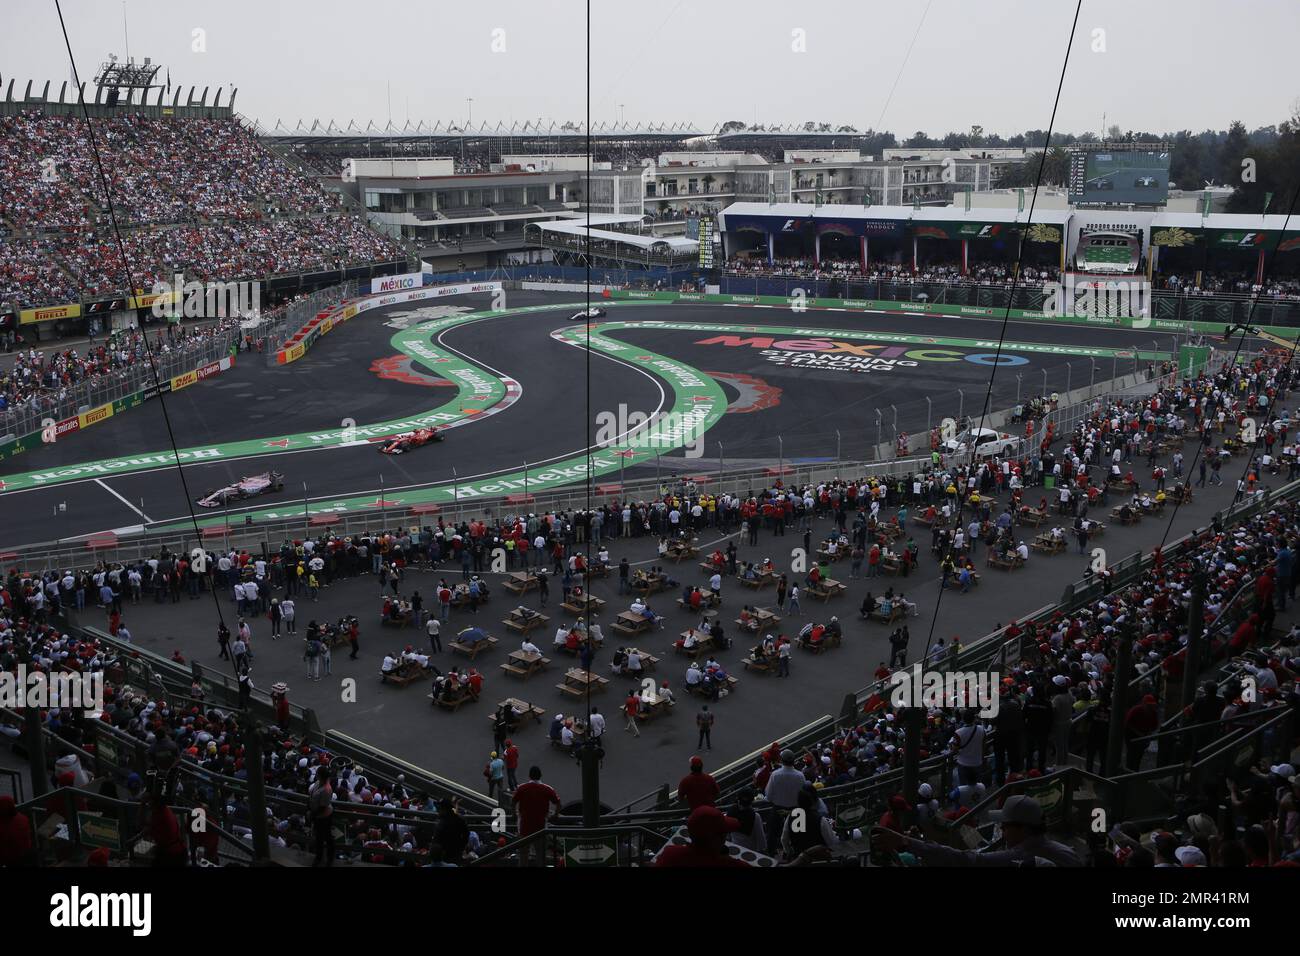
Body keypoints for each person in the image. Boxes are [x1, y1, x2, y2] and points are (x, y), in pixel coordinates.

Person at [872, 795, 1082, 866]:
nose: (1001, 828)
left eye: (1006, 825)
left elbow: (965, 859)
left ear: (1024, 829)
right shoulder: (1068, 853)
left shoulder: (1018, 856)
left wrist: (907, 842)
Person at [512, 766, 561, 867]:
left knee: (523, 855)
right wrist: (555, 815)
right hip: (540, 829)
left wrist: (514, 813)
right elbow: (558, 803)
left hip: (524, 828)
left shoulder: (522, 788)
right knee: (540, 855)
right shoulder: (547, 789)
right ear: (540, 776)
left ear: (529, 776)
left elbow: (513, 801)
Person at [308, 766, 335, 867]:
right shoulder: (318, 783)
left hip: (324, 817)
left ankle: (329, 858)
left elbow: (323, 807)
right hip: (317, 815)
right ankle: (318, 857)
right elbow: (311, 796)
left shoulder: (327, 790)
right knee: (319, 838)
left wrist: (312, 814)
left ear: (320, 775)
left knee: (327, 838)